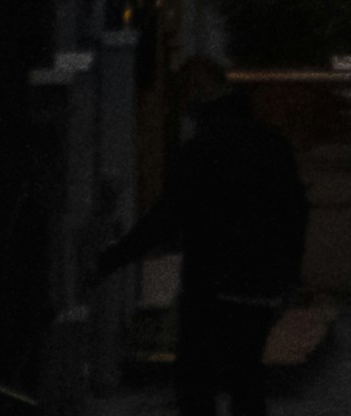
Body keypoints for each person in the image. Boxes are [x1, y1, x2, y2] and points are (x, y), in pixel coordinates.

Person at [130, 61, 310, 416]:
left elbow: (168, 216)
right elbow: (295, 211)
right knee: (246, 377)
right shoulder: (268, 142)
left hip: (211, 282)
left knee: (197, 379)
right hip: (259, 281)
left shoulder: (201, 148)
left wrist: (116, 255)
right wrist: (289, 273)